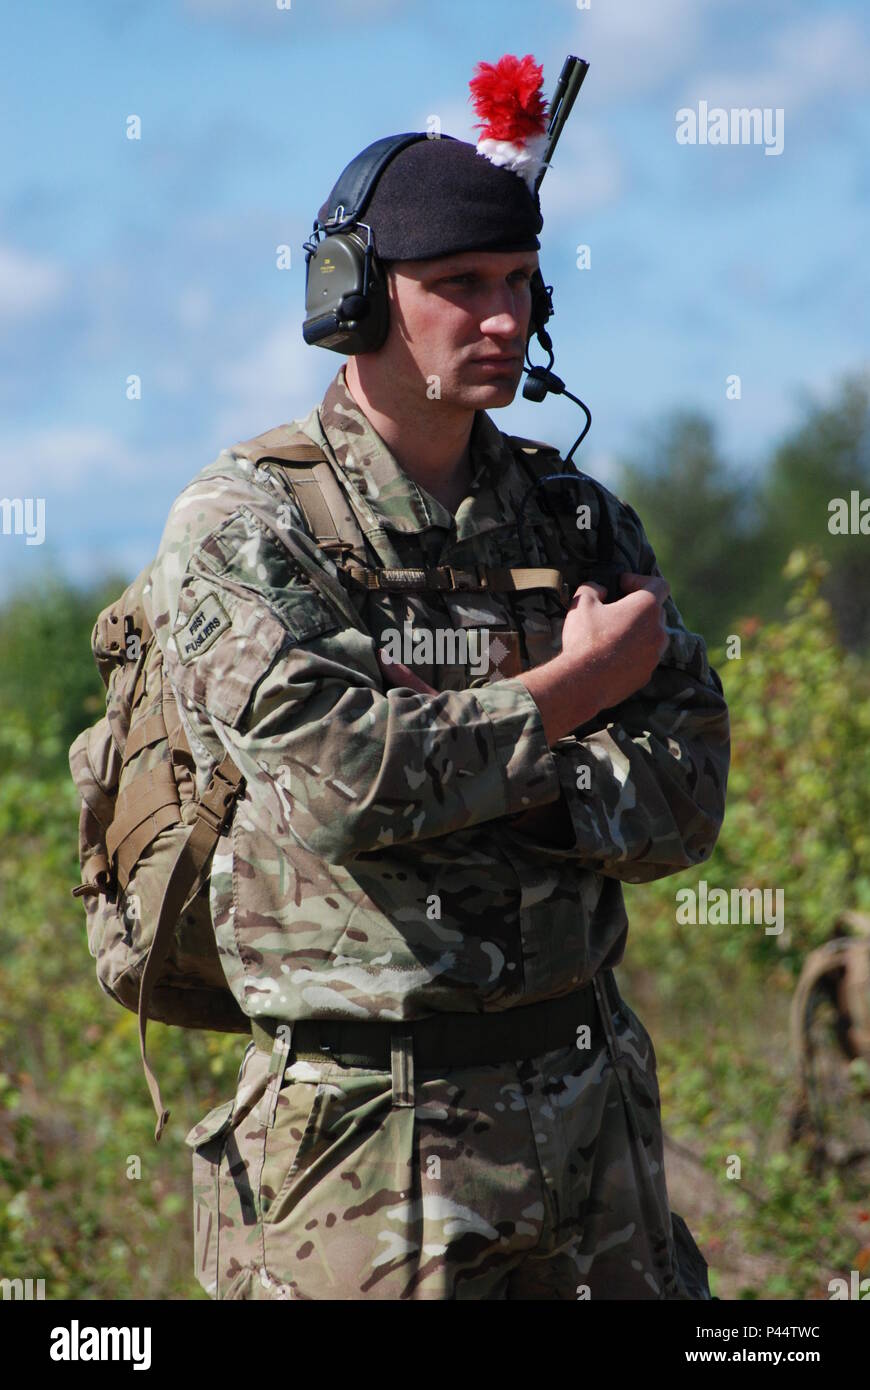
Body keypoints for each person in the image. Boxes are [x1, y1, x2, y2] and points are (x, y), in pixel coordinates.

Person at [148, 55, 729, 1301]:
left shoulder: (576, 519)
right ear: (355, 299)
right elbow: (343, 784)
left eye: (519, 282)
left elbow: (684, 801)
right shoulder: (250, 524)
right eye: (459, 286)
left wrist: (476, 767)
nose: (503, 318)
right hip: (366, 1133)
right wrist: (580, 694)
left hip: (592, 1111)